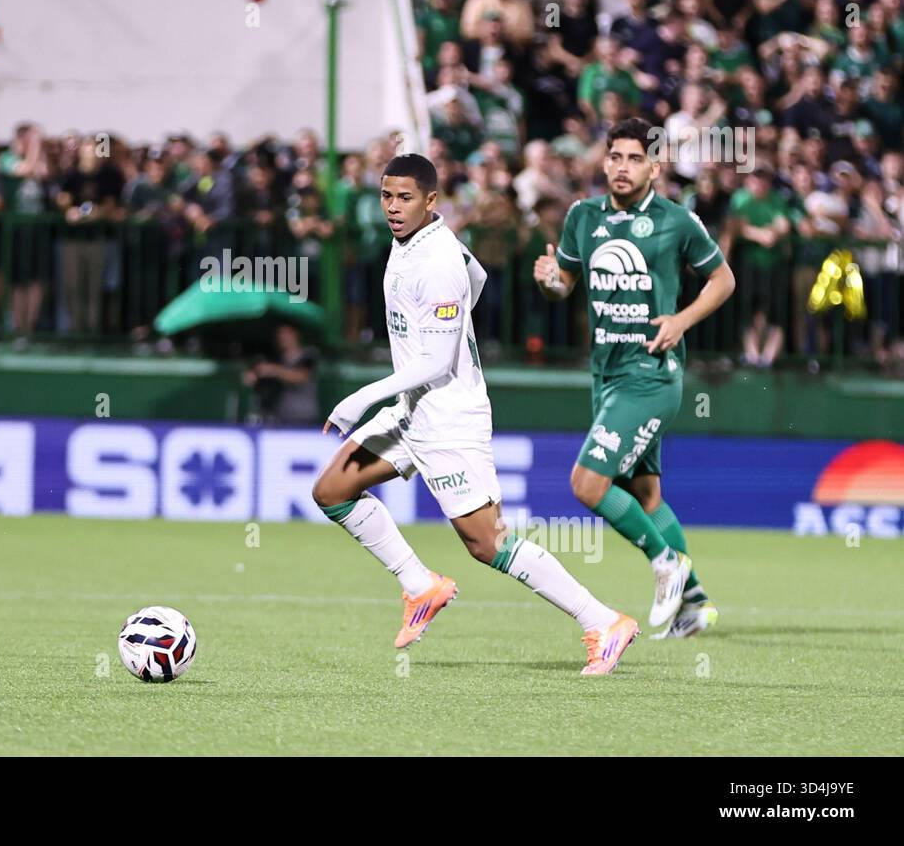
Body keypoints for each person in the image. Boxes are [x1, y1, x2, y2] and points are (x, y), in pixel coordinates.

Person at [314, 152, 641, 676]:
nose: (393, 208)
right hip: (412, 409)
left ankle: (603, 621)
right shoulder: (416, 243)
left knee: (487, 544)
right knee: (332, 490)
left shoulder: (437, 259)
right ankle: (421, 586)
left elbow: (439, 358)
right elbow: (479, 274)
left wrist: (361, 398)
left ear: (430, 201)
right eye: (386, 196)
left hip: (448, 417)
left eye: (405, 198)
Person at [533, 117, 736, 638]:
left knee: (587, 484)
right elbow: (566, 284)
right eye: (616, 158)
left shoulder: (675, 221)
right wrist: (550, 281)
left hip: (651, 374)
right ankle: (694, 604)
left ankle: (666, 562)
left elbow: (723, 279)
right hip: (606, 373)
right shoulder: (583, 216)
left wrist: (681, 320)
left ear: (655, 167)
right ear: (604, 162)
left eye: (635, 159)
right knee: (644, 494)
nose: (623, 169)